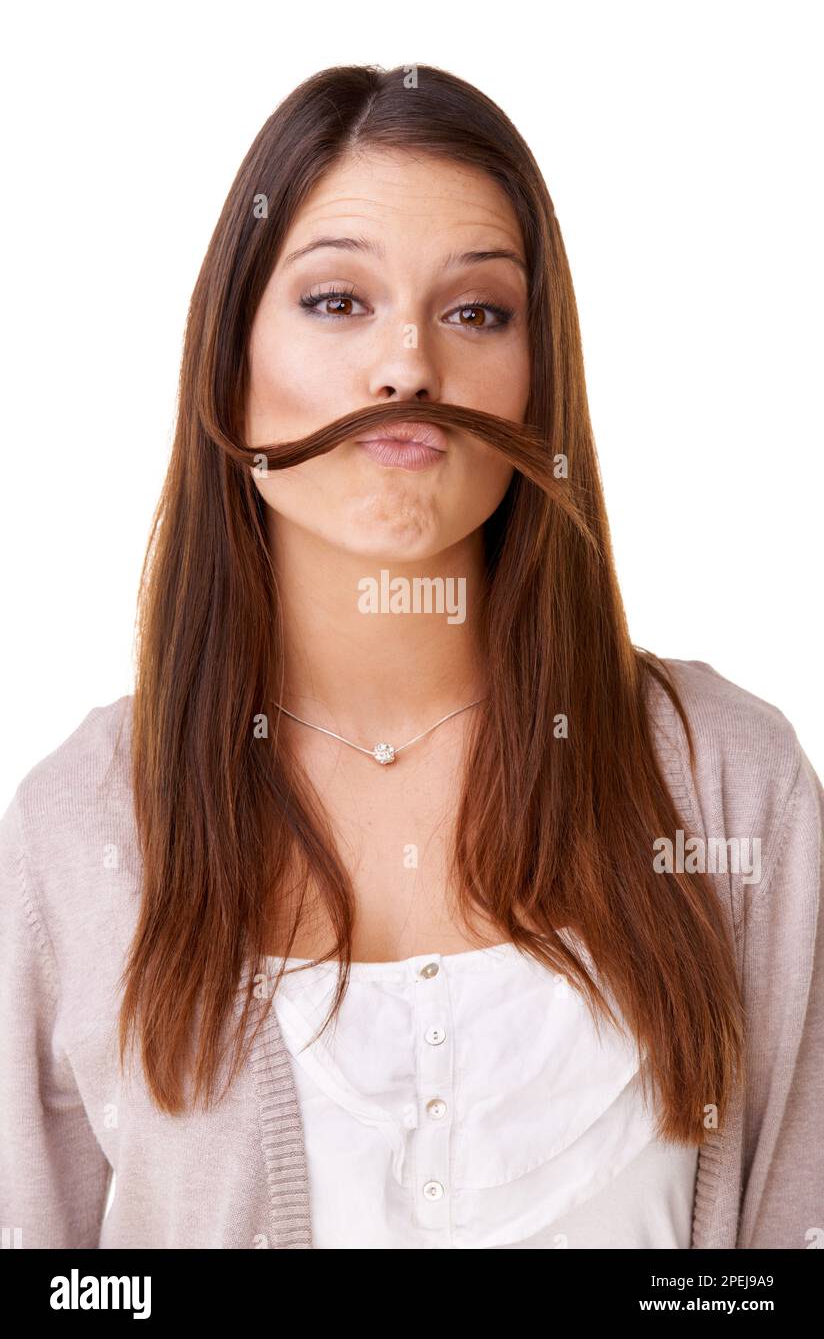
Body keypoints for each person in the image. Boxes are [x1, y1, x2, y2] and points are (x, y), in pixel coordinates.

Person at [1, 63, 821, 1250]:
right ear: (226, 361)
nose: (405, 369)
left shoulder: (726, 781)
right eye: (336, 301)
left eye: (476, 311)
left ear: (538, 381)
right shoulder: (80, 828)